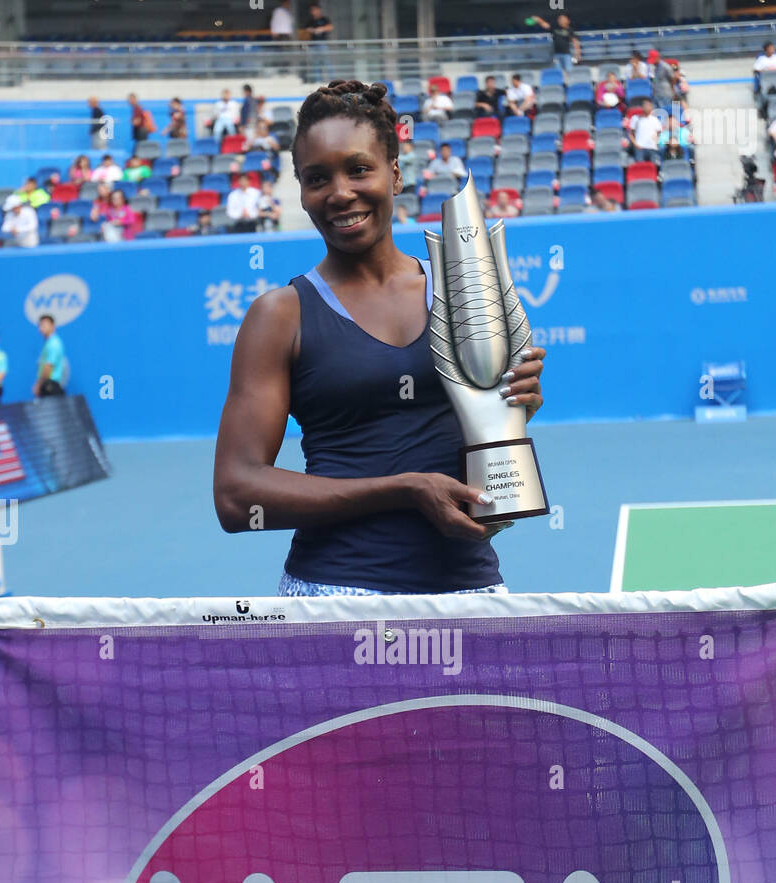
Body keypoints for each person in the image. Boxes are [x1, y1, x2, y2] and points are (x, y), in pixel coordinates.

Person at [213, 79, 545, 597]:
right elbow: (236, 499)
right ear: (300, 190)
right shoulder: (279, 315)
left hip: (469, 593)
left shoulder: (462, 289)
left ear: (394, 173)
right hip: (331, 601)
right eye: (317, 178)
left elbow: (486, 440)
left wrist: (514, 406)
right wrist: (406, 491)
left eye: (359, 169)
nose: (340, 192)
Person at [33, 315, 67, 397]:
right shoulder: (48, 343)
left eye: (44, 325)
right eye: (40, 325)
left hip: (51, 386)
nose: (41, 328)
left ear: (53, 326)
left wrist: (39, 384)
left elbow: (48, 366)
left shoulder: (53, 343)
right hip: (47, 385)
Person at [305, 3, 333, 85]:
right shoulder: (310, 20)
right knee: (315, 63)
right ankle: (318, 81)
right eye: (312, 10)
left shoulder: (324, 19)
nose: (314, 12)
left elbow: (330, 27)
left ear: (319, 10)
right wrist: (311, 30)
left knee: (326, 62)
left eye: (315, 10)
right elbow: (306, 29)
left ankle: (331, 80)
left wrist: (321, 29)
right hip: (313, 44)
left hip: (322, 43)